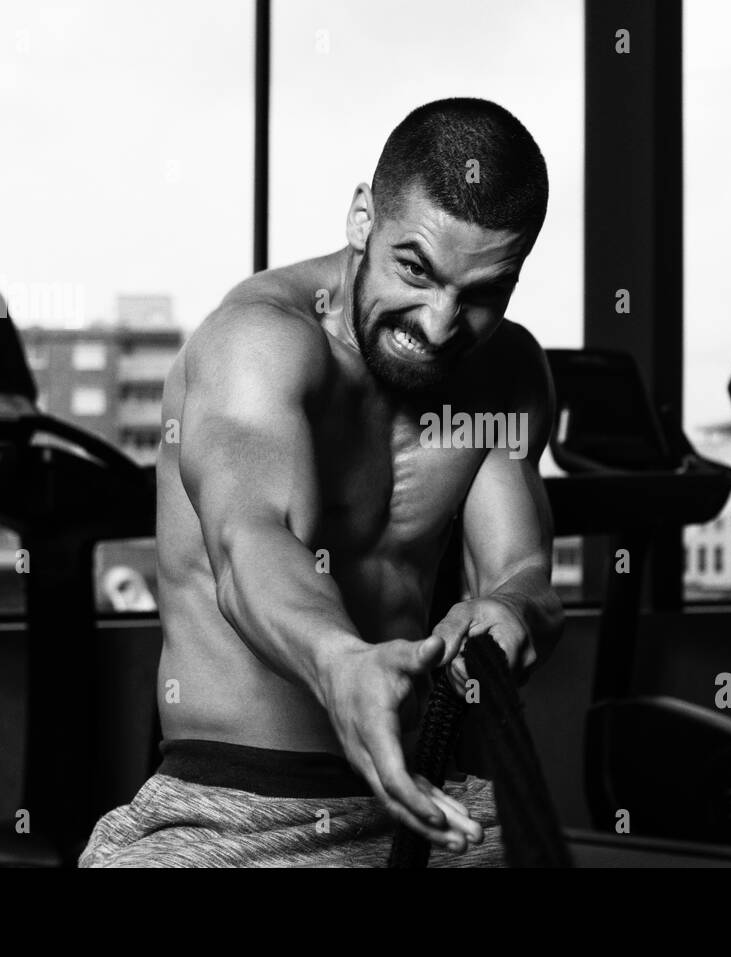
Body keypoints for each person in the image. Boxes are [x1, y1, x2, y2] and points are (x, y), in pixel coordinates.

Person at [81, 97, 564, 867]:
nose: (439, 325)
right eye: (415, 270)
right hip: (233, 811)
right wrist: (339, 661)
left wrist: (512, 610)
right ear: (362, 217)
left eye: (480, 295)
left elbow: (521, 569)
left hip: (435, 805)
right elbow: (251, 541)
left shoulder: (504, 371)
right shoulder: (260, 343)